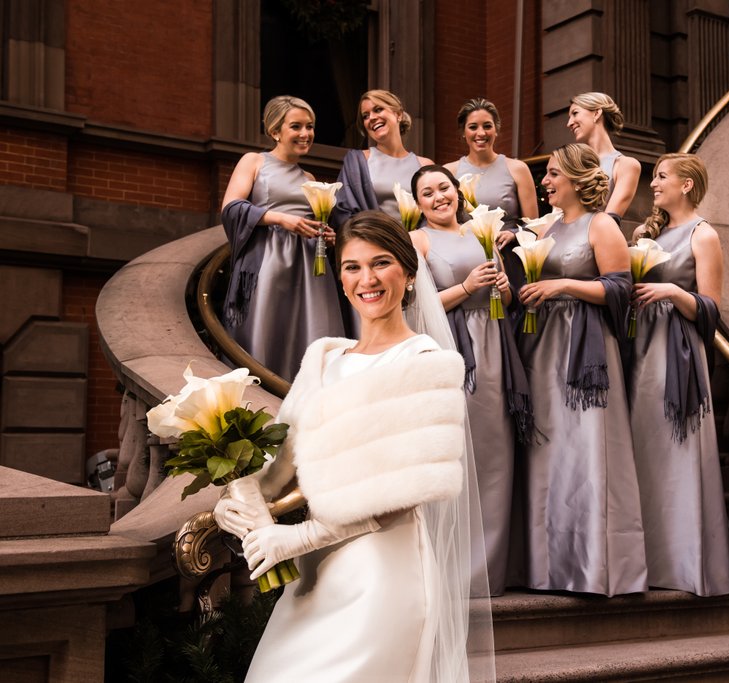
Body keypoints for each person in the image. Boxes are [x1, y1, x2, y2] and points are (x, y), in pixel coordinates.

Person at [214, 211, 492, 681]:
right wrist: (235, 498)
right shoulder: (323, 357)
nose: (366, 279)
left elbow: (405, 496)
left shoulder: (427, 362)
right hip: (313, 576)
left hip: (381, 575)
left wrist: (297, 537)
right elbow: (282, 464)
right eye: (352, 266)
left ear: (407, 272)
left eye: (380, 263)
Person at [515, 143, 647, 596]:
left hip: (584, 347)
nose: (545, 182)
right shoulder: (546, 224)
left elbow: (620, 287)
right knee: (547, 450)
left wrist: (564, 285)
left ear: (575, 179)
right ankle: (545, 566)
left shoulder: (602, 224)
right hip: (542, 344)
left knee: (587, 447)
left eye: (552, 175)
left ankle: (592, 567)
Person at [410, 164, 532, 596]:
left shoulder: (481, 230)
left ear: (457, 191)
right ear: (419, 204)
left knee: (496, 458)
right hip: (455, 355)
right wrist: (464, 288)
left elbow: (509, 298)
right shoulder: (418, 241)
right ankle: (452, 572)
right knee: (461, 456)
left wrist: (503, 287)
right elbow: (413, 311)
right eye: (428, 193)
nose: (439, 197)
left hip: (496, 349)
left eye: (444, 187)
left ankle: (491, 571)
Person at [629, 153, 729, 595]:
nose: (653, 185)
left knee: (677, 451)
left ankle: (687, 563)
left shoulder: (704, 234)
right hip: (640, 350)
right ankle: (648, 561)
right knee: (644, 450)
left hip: (677, 352)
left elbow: (711, 309)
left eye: (661, 177)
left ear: (686, 186)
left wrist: (673, 291)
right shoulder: (646, 233)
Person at [220, 95, 344, 383]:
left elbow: (316, 221)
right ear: (276, 131)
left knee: (310, 334)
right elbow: (231, 206)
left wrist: (327, 233)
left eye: (310, 126)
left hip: (309, 270)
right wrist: (280, 218)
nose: (305, 134)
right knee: (265, 328)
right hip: (269, 260)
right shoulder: (254, 161)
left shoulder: (308, 175)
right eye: (296, 126)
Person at [333, 89, 432, 225]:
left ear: (398, 115)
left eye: (378, 109)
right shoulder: (357, 161)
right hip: (372, 242)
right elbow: (344, 213)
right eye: (365, 116)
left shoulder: (425, 165)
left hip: (417, 244)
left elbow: (435, 214)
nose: (371, 118)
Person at [444, 98, 538, 227]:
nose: (481, 133)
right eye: (473, 127)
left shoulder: (518, 169)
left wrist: (514, 234)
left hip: (507, 246)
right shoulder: (449, 172)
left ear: (496, 130)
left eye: (487, 126)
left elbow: (534, 226)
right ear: (463, 132)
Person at [566, 92, 641, 224]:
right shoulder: (570, 165)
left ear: (596, 114)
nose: (569, 123)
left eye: (575, 113)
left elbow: (609, 222)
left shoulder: (626, 165)